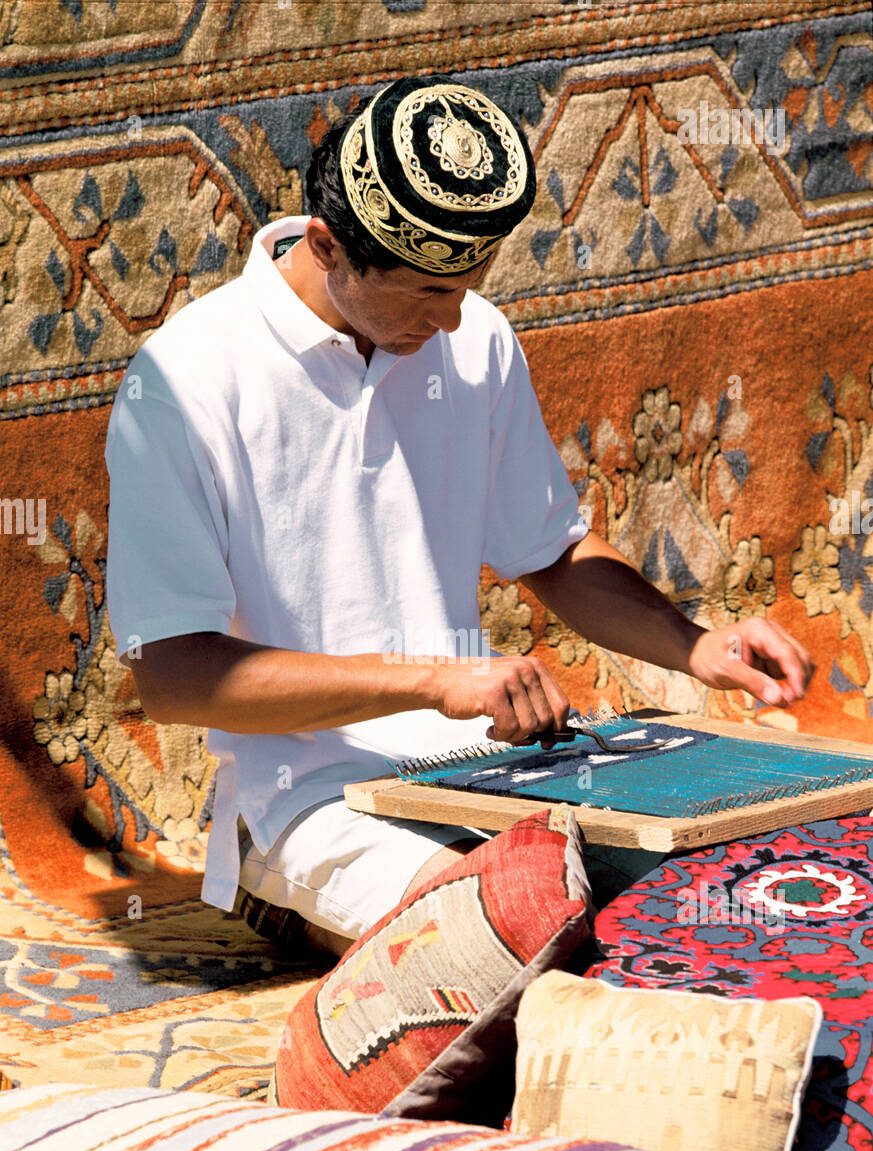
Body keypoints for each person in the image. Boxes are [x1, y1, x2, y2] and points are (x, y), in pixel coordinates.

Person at [105, 76, 814, 956]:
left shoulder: (472, 336)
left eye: (464, 290)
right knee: (521, 938)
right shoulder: (182, 383)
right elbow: (174, 679)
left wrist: (695, 646)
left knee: (761, 890)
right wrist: (435, 681)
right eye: (421, 297)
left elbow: (549, 551)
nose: (448, 324)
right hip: (308, 798)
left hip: (489, 775)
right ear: (327, 245)